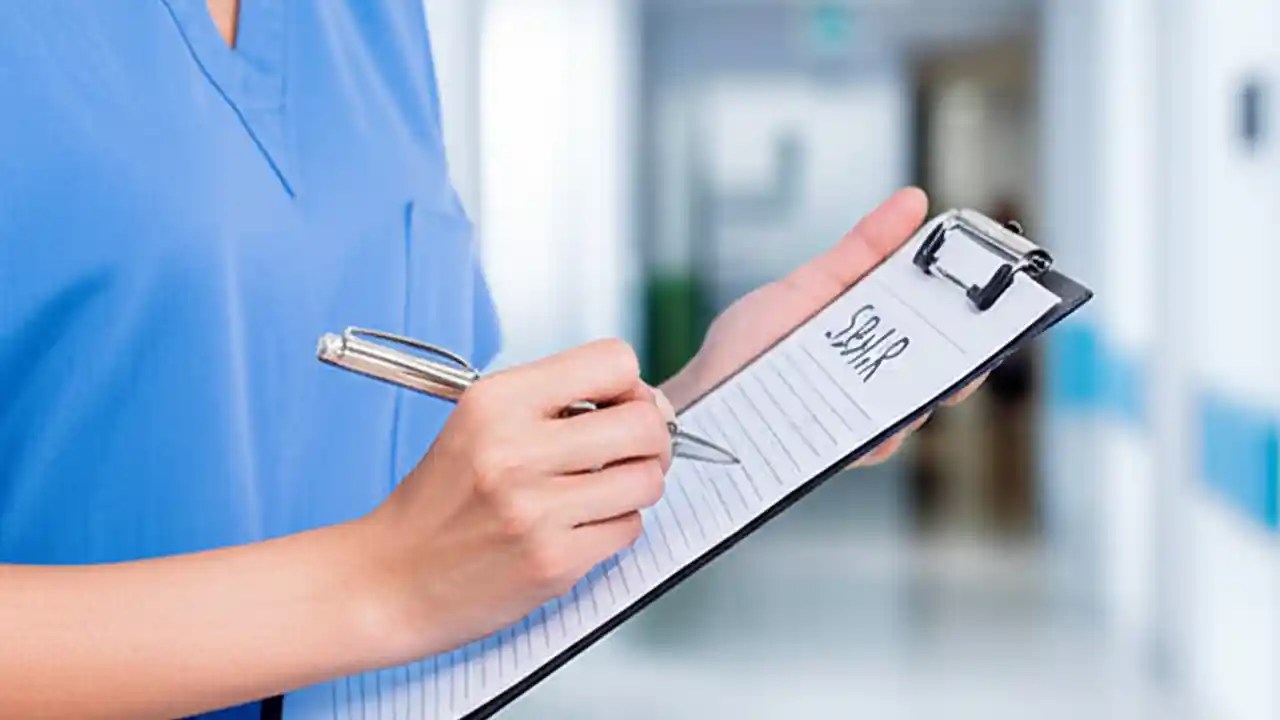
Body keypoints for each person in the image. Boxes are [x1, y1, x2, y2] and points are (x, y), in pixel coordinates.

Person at [0, 3, 971, 718]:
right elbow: (406, 566)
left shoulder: (371, 24)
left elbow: (446, 533)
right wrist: (381, 583)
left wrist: (711, 413)